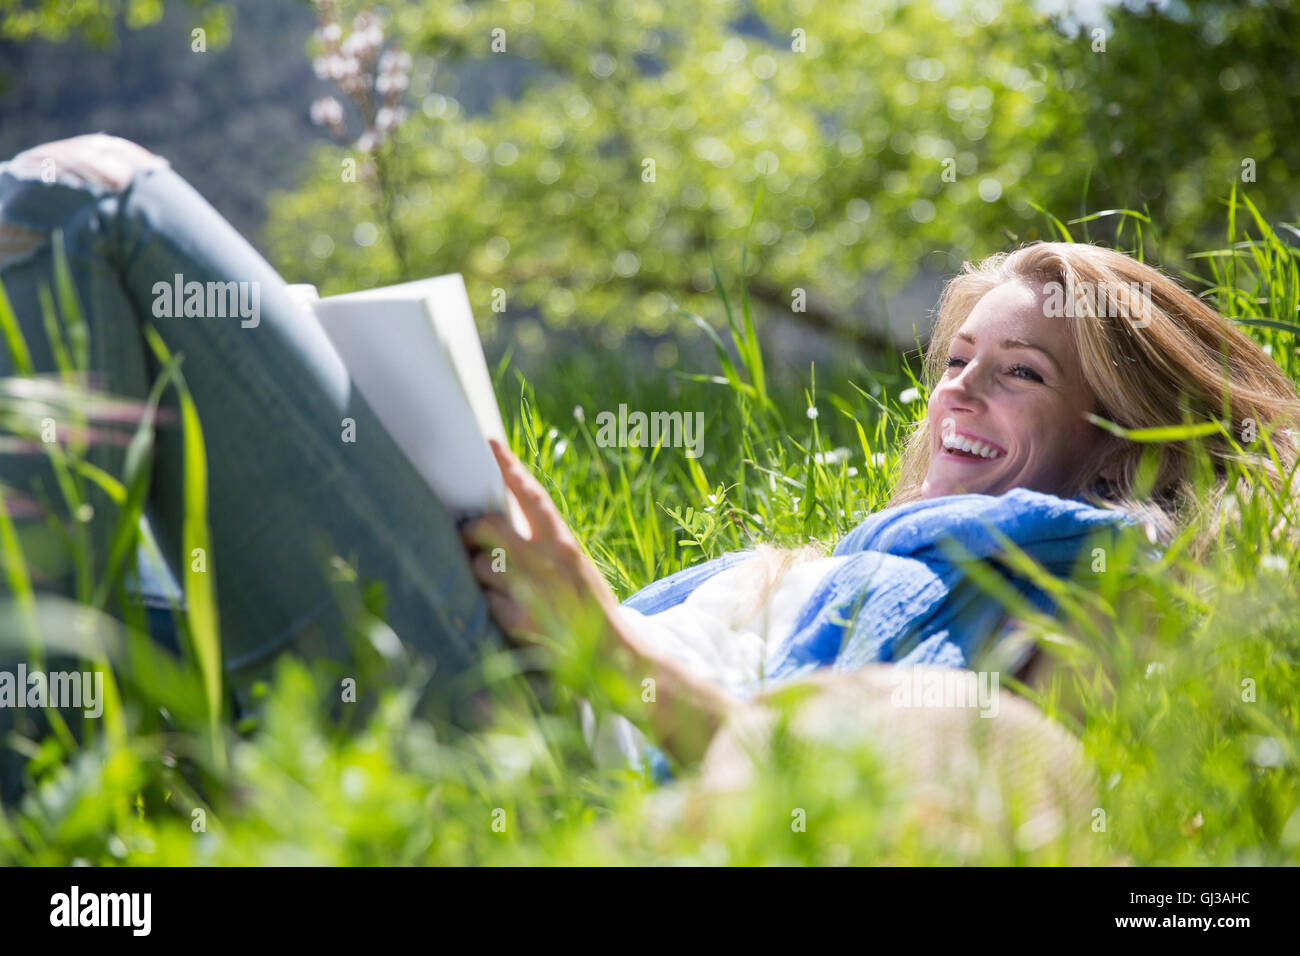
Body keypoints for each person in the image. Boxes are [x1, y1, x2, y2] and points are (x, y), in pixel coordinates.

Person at [2, 135, 1297, 792]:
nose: (960, 388)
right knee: (70, 623)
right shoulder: (854, 556)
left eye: (1022, 372)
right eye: (956, 358)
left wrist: (605, 651)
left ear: (1121, 447)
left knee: (97, 198)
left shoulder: (1070, 565)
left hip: (545, 748)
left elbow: (887, 799)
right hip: (481, 696)